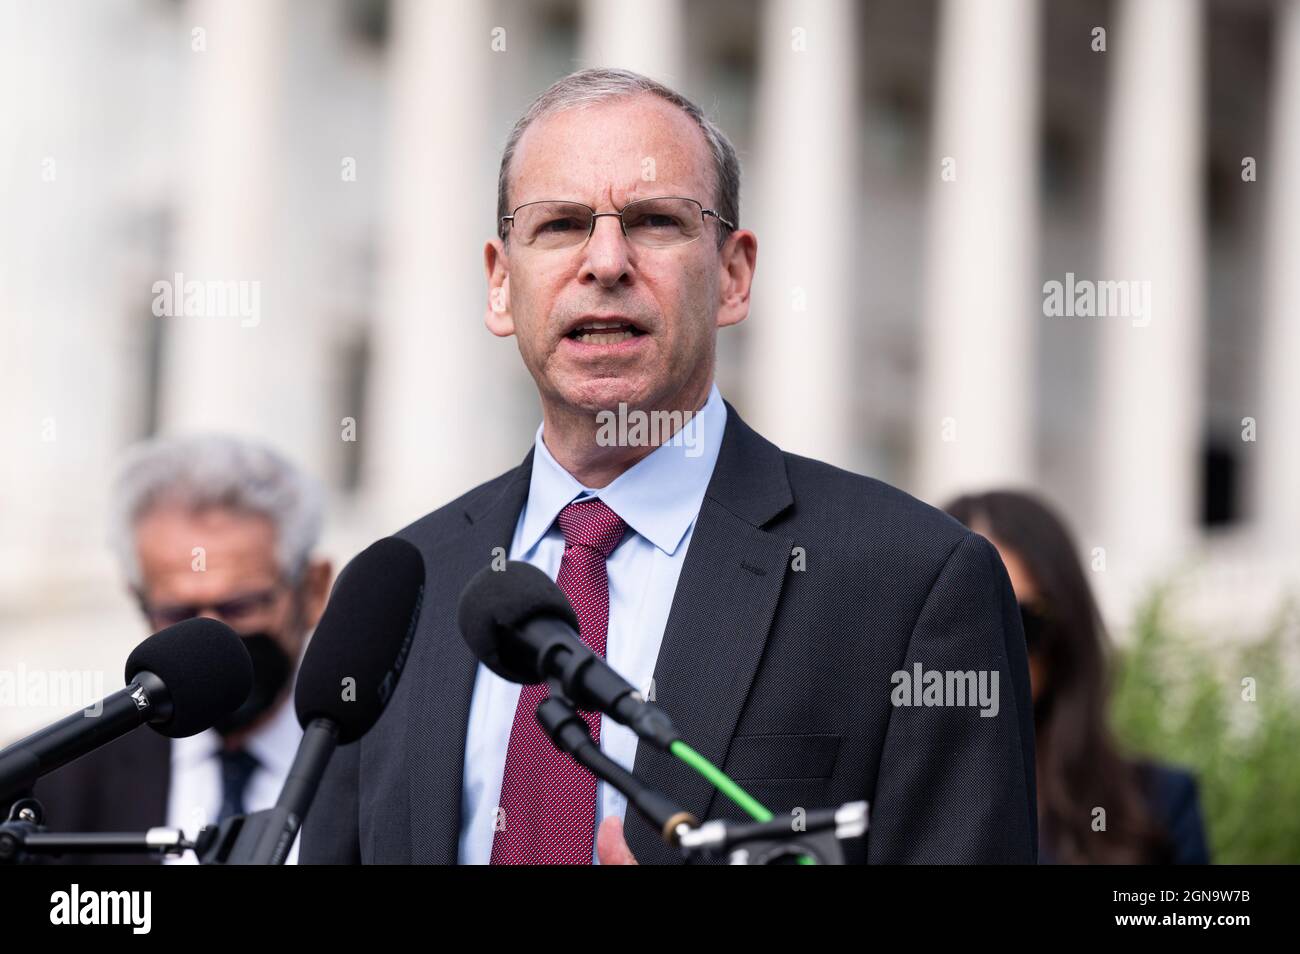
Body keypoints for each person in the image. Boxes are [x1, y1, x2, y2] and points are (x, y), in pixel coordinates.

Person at [302, 67, 1037, 865]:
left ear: (732, 274)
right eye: (561, 225)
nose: (606, 262)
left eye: (655, 222)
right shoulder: (399, 593)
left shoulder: (912, 582)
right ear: (501, 284)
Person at [32, 434, 332, 864]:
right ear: (139, 600)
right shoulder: (66, 781)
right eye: (177, 612)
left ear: (314, 590)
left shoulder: (387, 767)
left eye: (241, 605)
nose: (211, 634)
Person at [944, 489, 1210, 864]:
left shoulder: (1158, 807)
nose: (997, 654)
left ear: (1065, 630)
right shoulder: (875, 808)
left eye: (1022, 623)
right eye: (969, 622)